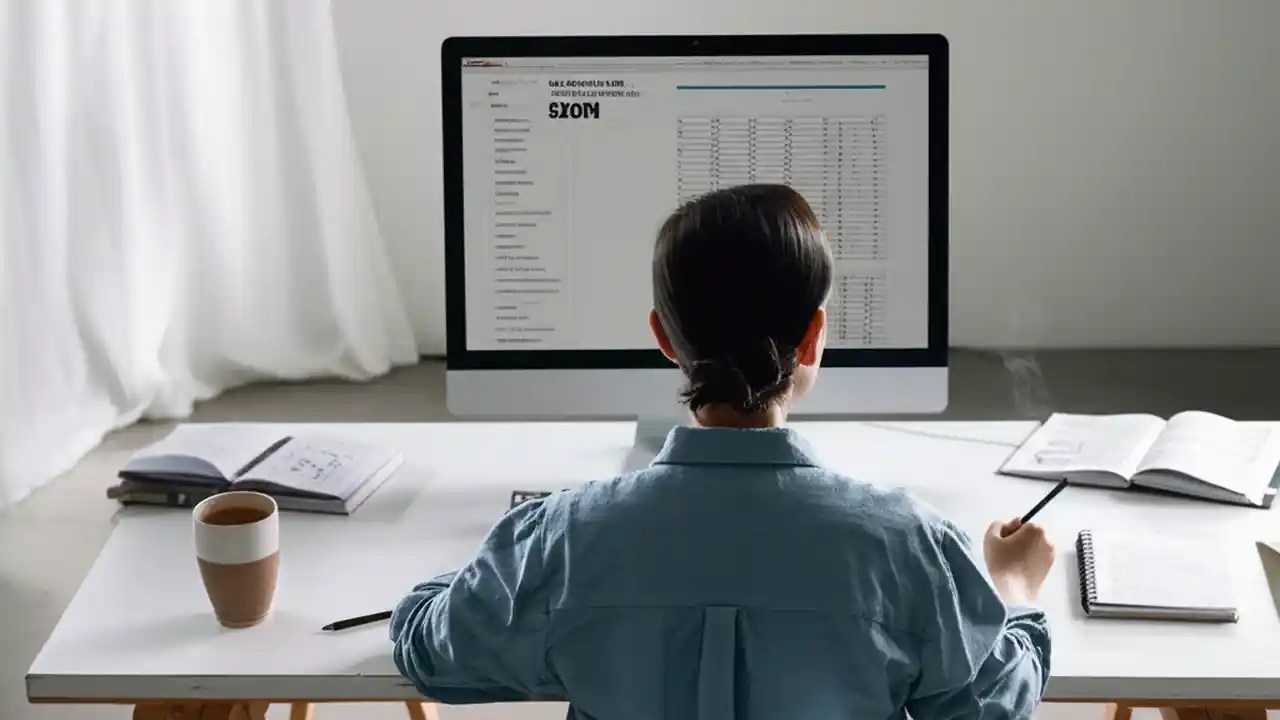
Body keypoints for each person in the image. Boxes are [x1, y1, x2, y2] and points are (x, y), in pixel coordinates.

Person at [391, 184, 1054, 719]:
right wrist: (1013, 588)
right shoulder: (912, 546)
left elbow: (430, 654)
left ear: (662, 336)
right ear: (816, 336)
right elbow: (992, 706)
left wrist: (497, 565)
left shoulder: (560, 539)